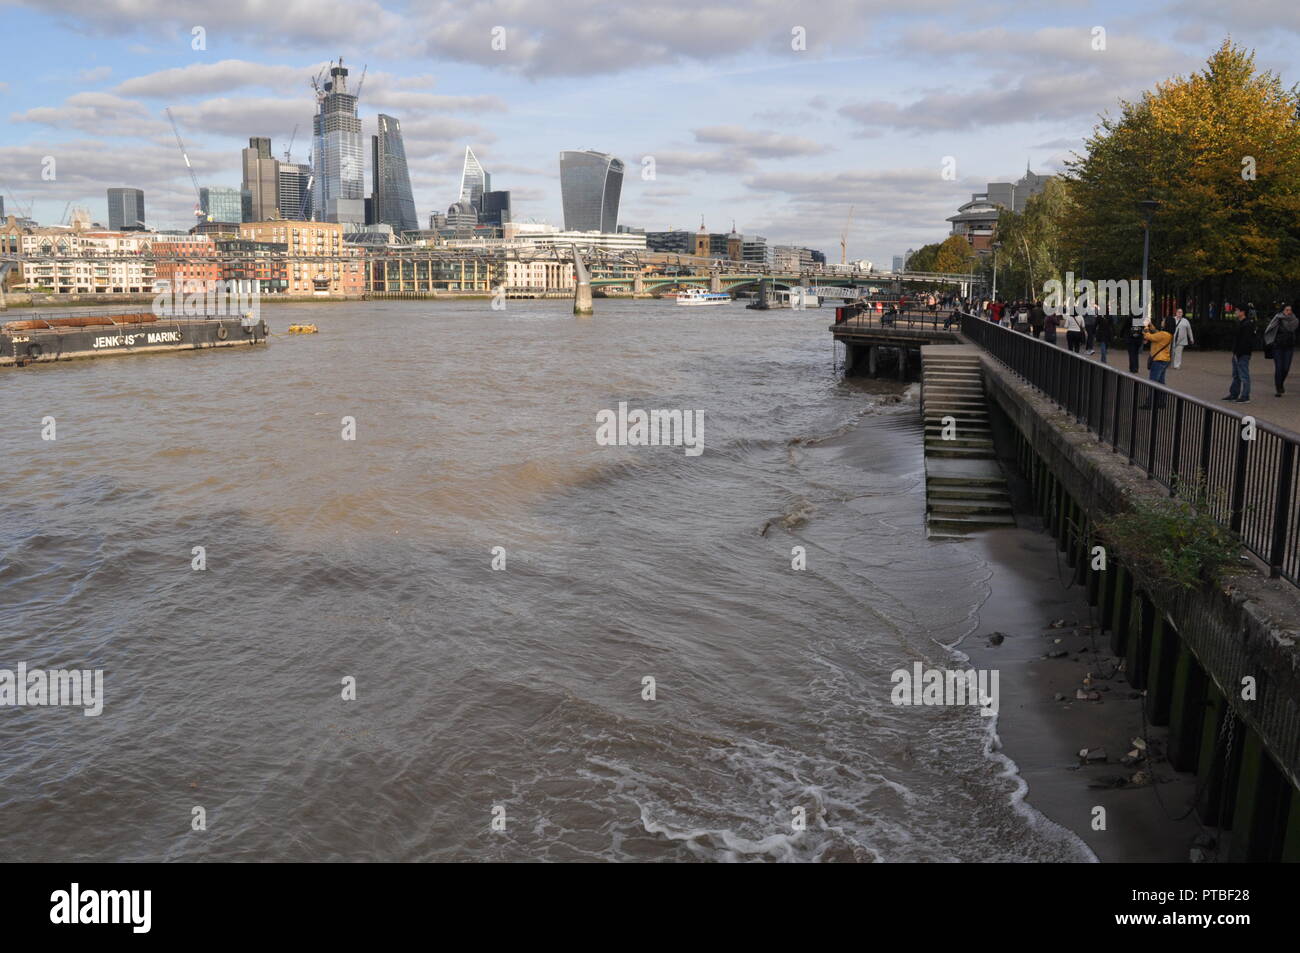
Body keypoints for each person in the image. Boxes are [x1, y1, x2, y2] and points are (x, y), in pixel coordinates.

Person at [1264, 304, 1299, 396]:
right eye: (1287, 310)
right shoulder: (1278, 318)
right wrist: (1270, 341)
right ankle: (1278, 388)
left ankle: (1281, 383)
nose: (1289, 312)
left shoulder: (1294, 320)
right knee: (1279, 368)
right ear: (1283, 311)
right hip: (1278, 347)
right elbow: (1270, 328)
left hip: (1289, 347)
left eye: (1290, 310)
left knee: (1286, 368)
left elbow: (1293, 330)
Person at [1139, 317, 1174, 409]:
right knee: (1160, 382)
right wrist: (1150, 324)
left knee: (1153, 382)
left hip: (1159, 360)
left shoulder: (1164, 334)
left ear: (1167, 323)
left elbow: (1148, 336)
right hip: (1164, 360)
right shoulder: (1167, 334)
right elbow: (1155, 331)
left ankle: (1149, 403)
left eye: (1163, 321)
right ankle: (1162, 402)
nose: (1162, 322)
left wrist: (1146, 327)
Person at [1225, 307, 1257, 403]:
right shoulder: (1242, 323)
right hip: (1238, 353)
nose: (1235, 312)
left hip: (1242, 353)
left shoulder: (1247, 324)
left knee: (1243, 375)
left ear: (1242, 312)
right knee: (1236, 375)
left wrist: (1238, 353)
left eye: (1237, 310)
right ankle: (1234, 393)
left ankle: (1245, 395)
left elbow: (1245, 341)